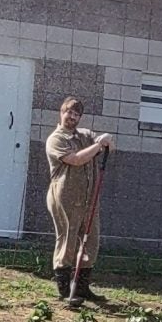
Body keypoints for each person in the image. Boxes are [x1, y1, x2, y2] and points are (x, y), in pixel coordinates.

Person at [44, 96, 113, 304]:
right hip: (64, 198)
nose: (72, 117)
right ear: (61, 112)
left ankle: (82, 289)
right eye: (69, 112)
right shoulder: (56, 139)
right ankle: (65, 290)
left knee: (91, 242)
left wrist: (106, 140)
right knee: (68, 240)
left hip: (88, 200)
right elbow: (76, 160)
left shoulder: (84, 136)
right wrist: (98, 146)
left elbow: (108, 145)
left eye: (76, 114)